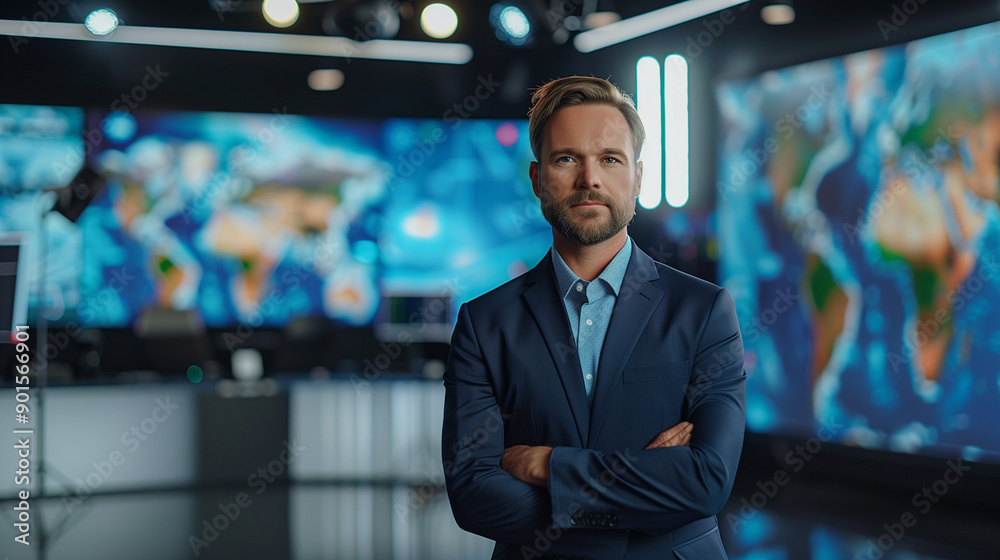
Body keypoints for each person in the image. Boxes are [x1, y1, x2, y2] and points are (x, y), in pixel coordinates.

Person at [442, 76, 745, 559]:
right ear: (538, 179)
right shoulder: (485, 324)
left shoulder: (703, 310)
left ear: (638, 176)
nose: (590, 180)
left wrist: (548, 467)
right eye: (567, 159)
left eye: (609, 159)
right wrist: (643, 497)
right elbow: (473, 495)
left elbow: (706, 482)